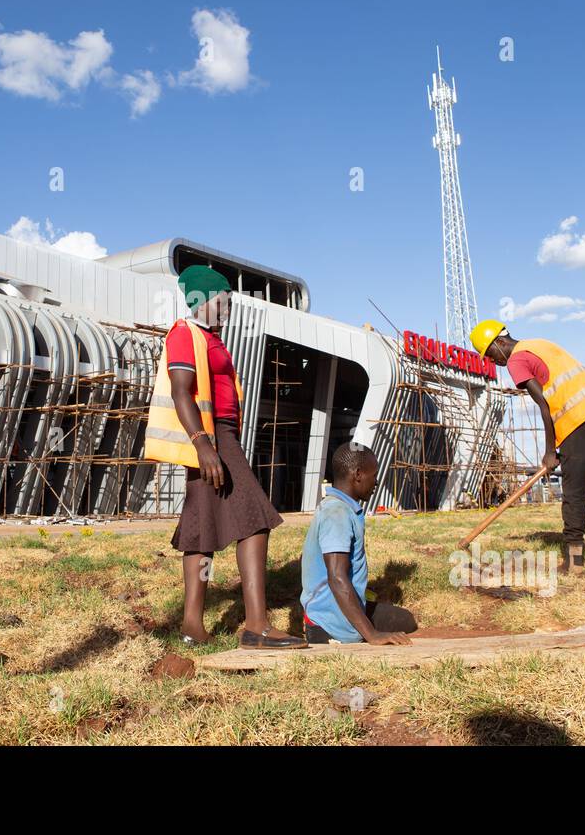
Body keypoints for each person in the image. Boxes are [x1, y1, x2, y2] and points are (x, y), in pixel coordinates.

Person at [145, 265, 305, 649]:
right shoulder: (185, 334)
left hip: (221, 436)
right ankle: (256, 625)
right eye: (224, 296)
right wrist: (203, 443)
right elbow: (182, 391)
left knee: (201, 531)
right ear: (204, 299)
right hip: (212, 437)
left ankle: (192, 625)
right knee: (255, 520)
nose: (229, 302)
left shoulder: (210, 338)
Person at [470, 320, 585, 573]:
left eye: (490, 354)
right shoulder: (539, 343)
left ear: (499, 343)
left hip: (579, 419)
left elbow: (544, 404)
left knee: (574, 491)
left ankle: (574, 562)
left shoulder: (516, 359)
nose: (494, 362)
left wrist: (549, 451)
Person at [301, 443, 416, 645]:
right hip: (329, 626)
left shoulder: (340, 507)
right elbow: (337, 578)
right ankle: (344, 632)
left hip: (337, 609)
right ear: (358, 475)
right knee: (392, 627)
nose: (376, 482)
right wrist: (372, 635)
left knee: (406, 620)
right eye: (374, 475)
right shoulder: (336, 513)